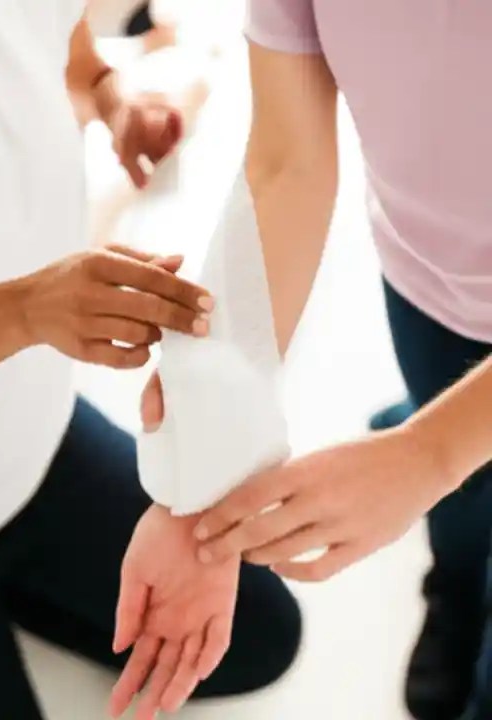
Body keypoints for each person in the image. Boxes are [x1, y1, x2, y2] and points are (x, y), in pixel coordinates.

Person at [0, 2, 301, 718]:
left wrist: (118, 103)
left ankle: (9, 595)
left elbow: (76, 62)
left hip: (36, 446)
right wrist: (25, 310)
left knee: (263, 638)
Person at [150, 4, 492, 719]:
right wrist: (209, 422)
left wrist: (429, 452)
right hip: (426, 281)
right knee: (462, 512)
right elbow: (287, 165)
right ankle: (457, 591)